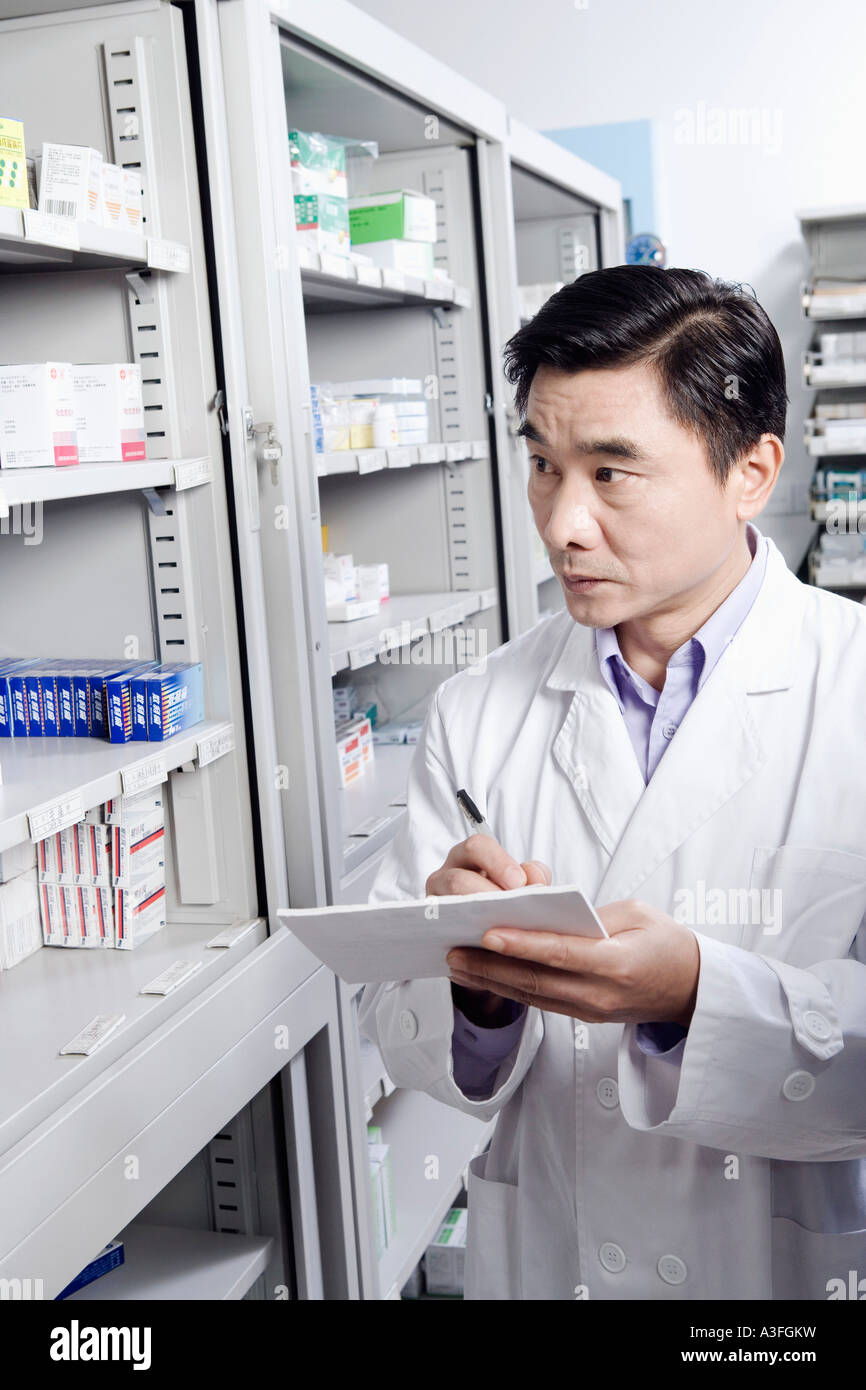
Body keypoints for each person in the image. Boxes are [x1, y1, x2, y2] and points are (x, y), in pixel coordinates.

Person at [359, 265, 866, 1301]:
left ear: (749, 472)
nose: (561, 523)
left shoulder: (847, 687)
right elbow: (400, 1033)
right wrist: (471, 996)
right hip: (555, 1256)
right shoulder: (478, 710)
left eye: (611, 471)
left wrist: (690, 998)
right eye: (542, 464)